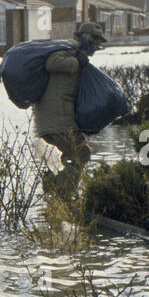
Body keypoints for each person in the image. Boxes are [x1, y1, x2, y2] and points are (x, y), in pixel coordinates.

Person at [33, 21, 107, 200]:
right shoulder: (70, 48)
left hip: (57, 118)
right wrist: (76, 62)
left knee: (73, 153)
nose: (97, 45)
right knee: (82, 153)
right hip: (56, 120)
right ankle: (58, 188)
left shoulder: (76, 52)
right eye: (95, 40)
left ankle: (64, 193)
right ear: (86, 38)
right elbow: (52, 63)